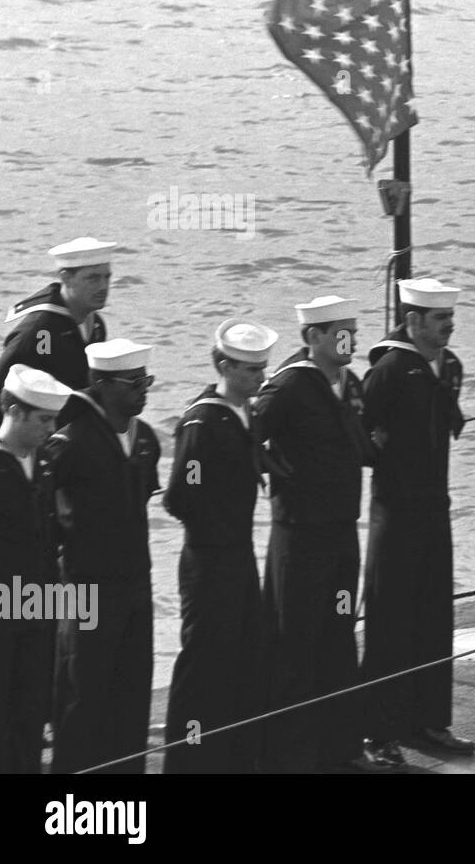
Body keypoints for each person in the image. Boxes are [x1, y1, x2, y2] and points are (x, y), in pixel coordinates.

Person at [255, 295, 373, 773]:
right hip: (300, 537)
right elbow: (246, 431)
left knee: (339, 638)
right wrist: (265, 463)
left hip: (343, 532)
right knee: (295, 643)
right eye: (341, 332)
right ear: (314, 337)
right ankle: (289, 756)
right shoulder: (287, 386)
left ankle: (340, 747)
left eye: (352, 330)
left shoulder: (351, 384)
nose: (351, 339)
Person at [360, 278, 474, 769]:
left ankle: (428, 719)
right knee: (388, 621)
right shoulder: (388, 371)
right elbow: (363, 434)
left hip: (435, 507)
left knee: (432, 616)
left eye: (450, 317)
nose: (449, 325)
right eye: (439, 318)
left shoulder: (448, 367)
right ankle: (377, 731)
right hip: (395, 509)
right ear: (413, 322)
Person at [162, 320, 278, 773]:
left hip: (238, 555)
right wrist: (216, 523)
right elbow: (180, 494)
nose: (260, 378)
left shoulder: (245, 413)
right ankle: (189, 761)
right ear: (224, 366)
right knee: (203, 664)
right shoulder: (203, 420)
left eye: (263, 368)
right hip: (209, 559)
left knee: (245, 656)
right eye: (250, 370)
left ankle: (232, 757)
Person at [47, 339, 161, 774]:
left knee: (132, 692)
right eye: (132, 383)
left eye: (145, 380)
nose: (143, 390)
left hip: (136, 582)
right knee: (83, 693)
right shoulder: (69, 442)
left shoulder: (145, 438)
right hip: (85, 585)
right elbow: (46, 516)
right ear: (100, 383)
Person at [0, 366, 71, 773]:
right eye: (43, 419)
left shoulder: (42, 466)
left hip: (35, 610)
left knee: (30, 714)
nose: (52, 427)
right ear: (14, 412)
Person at [0, 237, 114, 400]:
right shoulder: (42, 331)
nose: (103, 286)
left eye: (106, 277)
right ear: (66, 278)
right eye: (93, 278)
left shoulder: (96, 326)